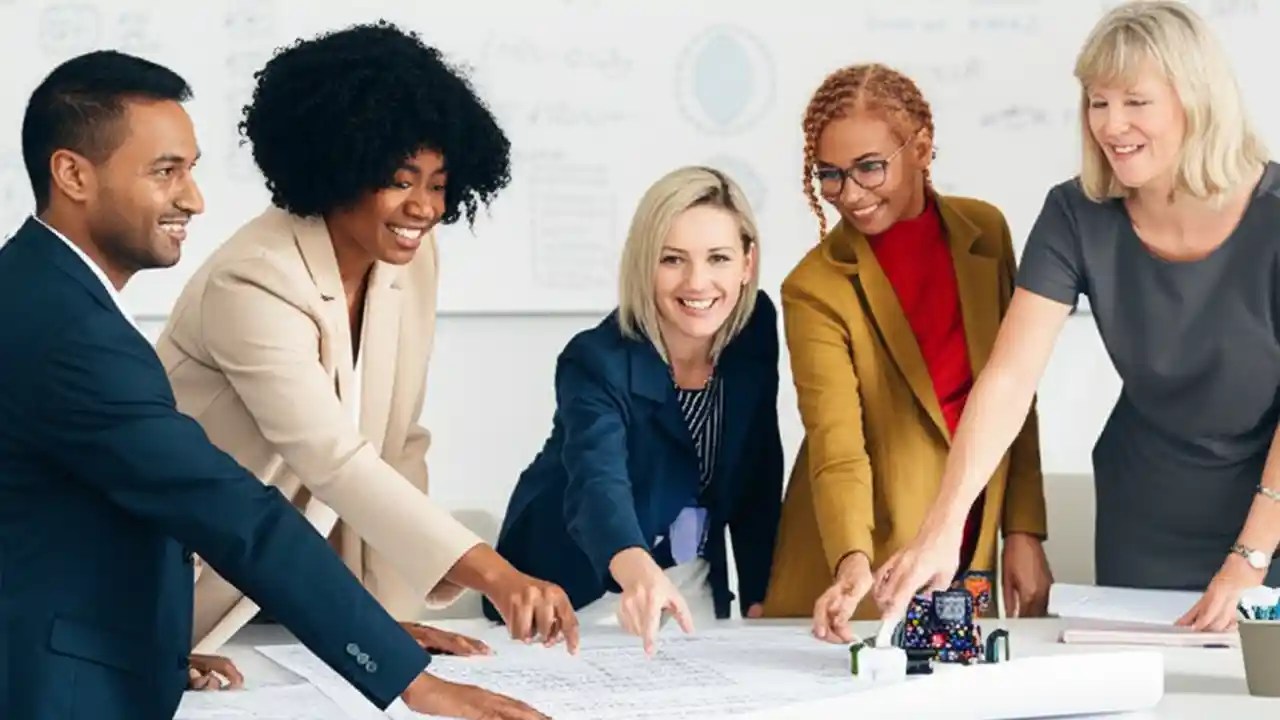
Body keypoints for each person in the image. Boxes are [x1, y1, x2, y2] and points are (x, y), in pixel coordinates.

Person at [0, 50, 547, 720]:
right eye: (166, 172)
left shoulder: (45, 293)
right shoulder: (69, 330)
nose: (194, 199)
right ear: (73, 175)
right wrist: (413, 681)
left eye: (192, 170)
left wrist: (161, 643)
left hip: (127, 642)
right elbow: (240, 515)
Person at [153, 20, 579, 674]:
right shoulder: (254, 278)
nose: (424, 207)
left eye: (438, 183)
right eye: (401, 179)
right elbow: (335, 461)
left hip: (293, 593)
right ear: (339, 166)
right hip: (185, 591)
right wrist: (499, 576)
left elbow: (394, 444)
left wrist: (381, 622)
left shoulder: (409, 262)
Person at [875, 0, 1280, 635]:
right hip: (1146, 513)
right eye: (1097, 102)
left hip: (1270, 512)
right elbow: (1009, 380)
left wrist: (1251, 558)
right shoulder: (1076, 214)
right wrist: (944, 525)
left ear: (1196, 100)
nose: (1110, 124)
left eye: (1135, 101)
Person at [756, 63, 1052, 642]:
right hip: (863, 559)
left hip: (968, 533)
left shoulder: (985, 233)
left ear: (920, 147)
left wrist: (1023, 528)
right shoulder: (814, 287)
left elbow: (1017, 391)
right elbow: (836, 446)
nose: (852, 194)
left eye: (869, 167)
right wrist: (851, 563)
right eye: (831, 176)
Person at [485, 166, 784, 653]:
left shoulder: (753, 328)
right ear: (645, 263)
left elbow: (758, 465)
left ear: (747, 264)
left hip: (688, 578)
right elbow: (596, 483)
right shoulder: (596, 358)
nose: (698, 281)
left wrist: (760, 594)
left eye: (719, 258)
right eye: (672, 259)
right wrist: (636, 569)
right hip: (576, 586)